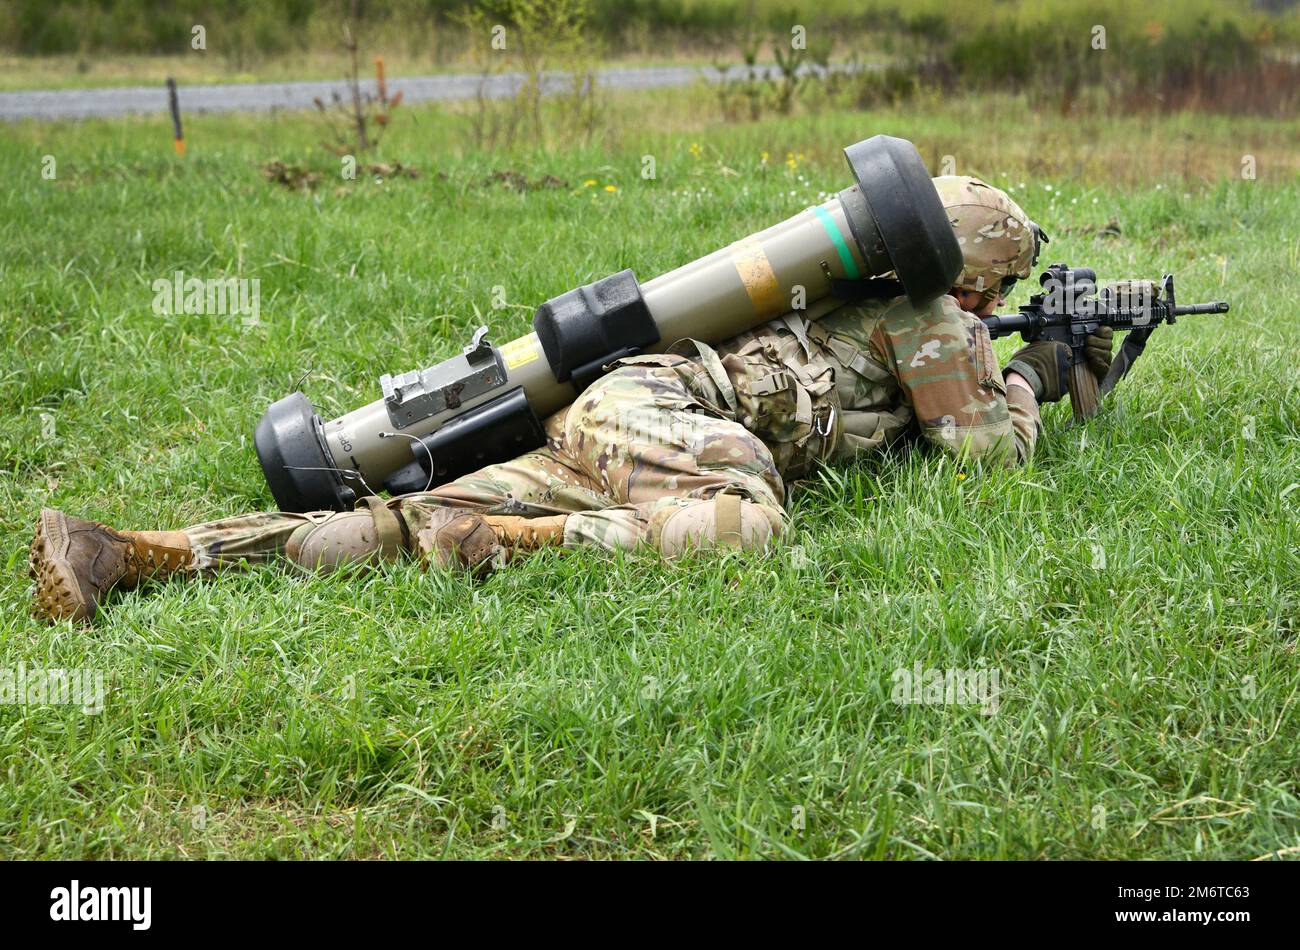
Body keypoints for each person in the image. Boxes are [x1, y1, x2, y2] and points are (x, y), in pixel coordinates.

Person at [29, 176, 1113, 623]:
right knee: (750, 522)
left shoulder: (852, 296)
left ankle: (128, 550)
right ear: (970, 272)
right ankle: (504, 540)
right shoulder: (933, 324)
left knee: (385, 527)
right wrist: (1036, 374)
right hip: (680, 428)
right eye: (1002, 286)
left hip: (614, 410)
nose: (998, 301)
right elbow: (986, 463)